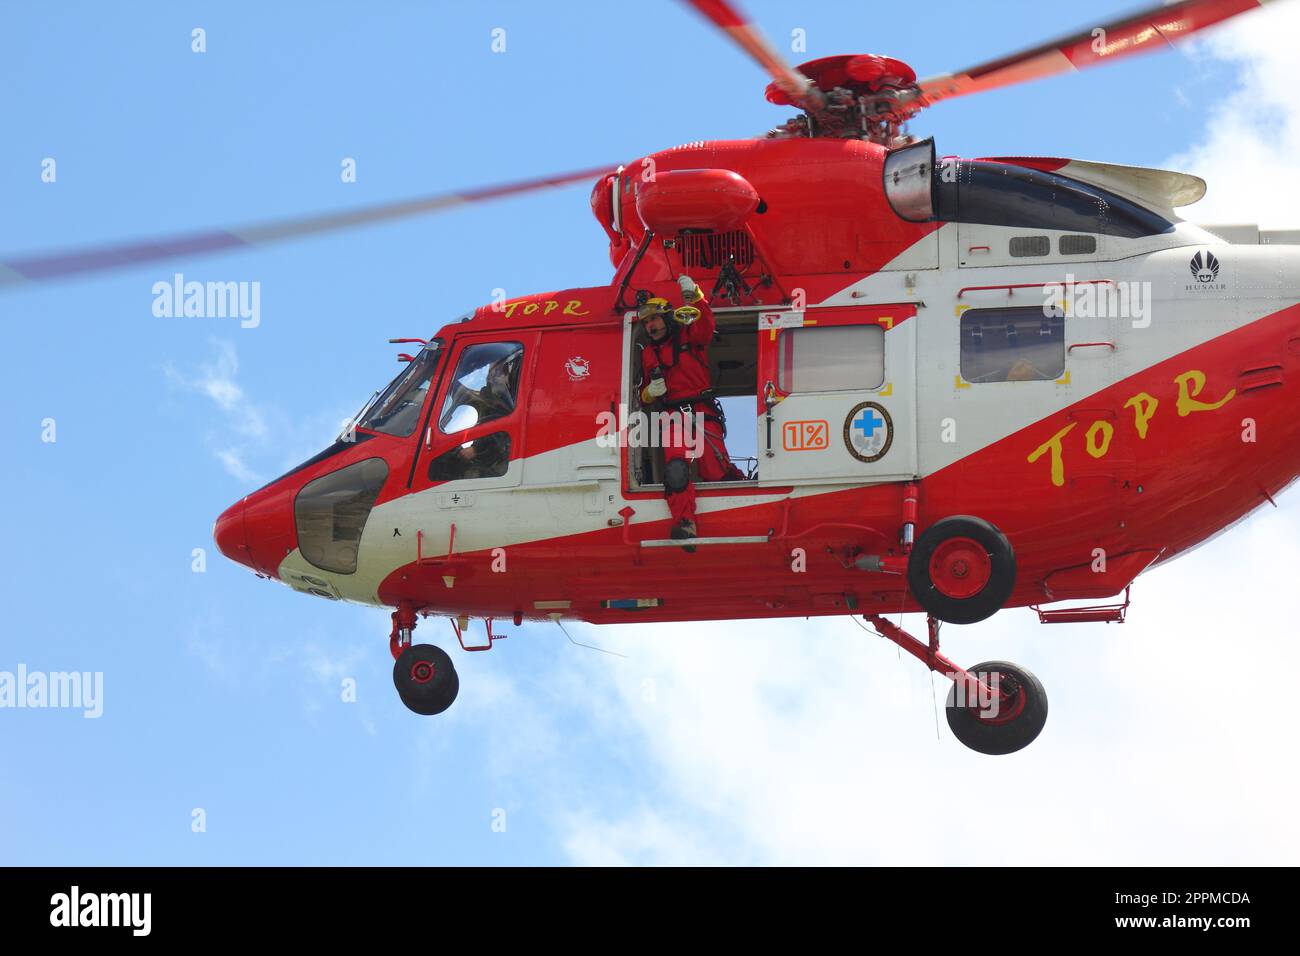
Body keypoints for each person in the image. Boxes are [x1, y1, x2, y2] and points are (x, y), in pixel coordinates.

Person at [637, 274, 744, 549]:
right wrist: (650, 392)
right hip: (673, 414)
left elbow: (706, 327)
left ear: (667, 318)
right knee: (675, 470)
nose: (650, 326)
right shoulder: (648, 353)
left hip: (702, 409)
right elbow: (643, 395)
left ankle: (736, 517)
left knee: (717, 473)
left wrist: (697, 297)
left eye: (654, 319)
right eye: (647, 322)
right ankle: (685, 522)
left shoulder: (689, 334)